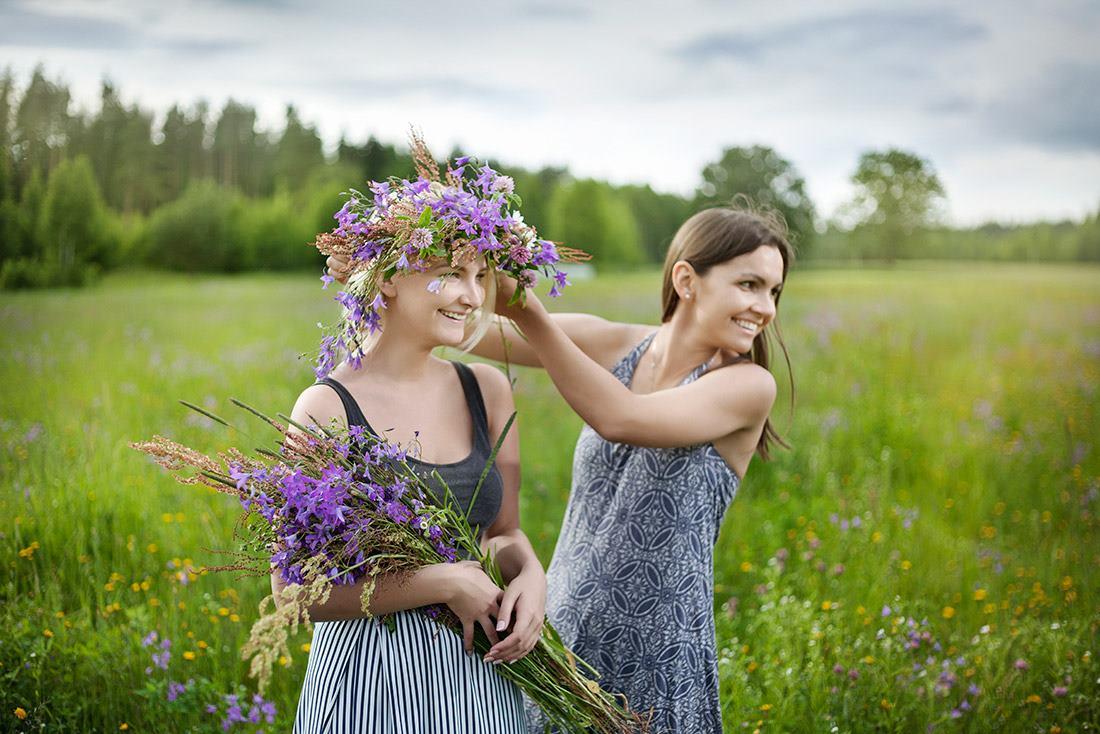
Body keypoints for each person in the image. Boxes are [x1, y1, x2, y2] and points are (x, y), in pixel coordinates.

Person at [463, 204, 792, 733]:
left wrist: (530, 309)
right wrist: (405, 269)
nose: (766, 307)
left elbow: (620, 417)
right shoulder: (618, 343)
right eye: (750, 284)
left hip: (656, 658)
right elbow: (470, 330)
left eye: (773, 291)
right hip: (563, 628)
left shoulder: (748, 386)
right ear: (687, 279)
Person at [279, 255, 545, 733]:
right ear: (388, 277)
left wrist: (532, 574)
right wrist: (440, 583)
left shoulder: (487, 389)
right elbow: (294, 594)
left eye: (480, 276)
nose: (474, 296)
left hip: (481, 675)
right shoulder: (326, 408)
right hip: (370, 685)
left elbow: (504, 532)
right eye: (452, 273)